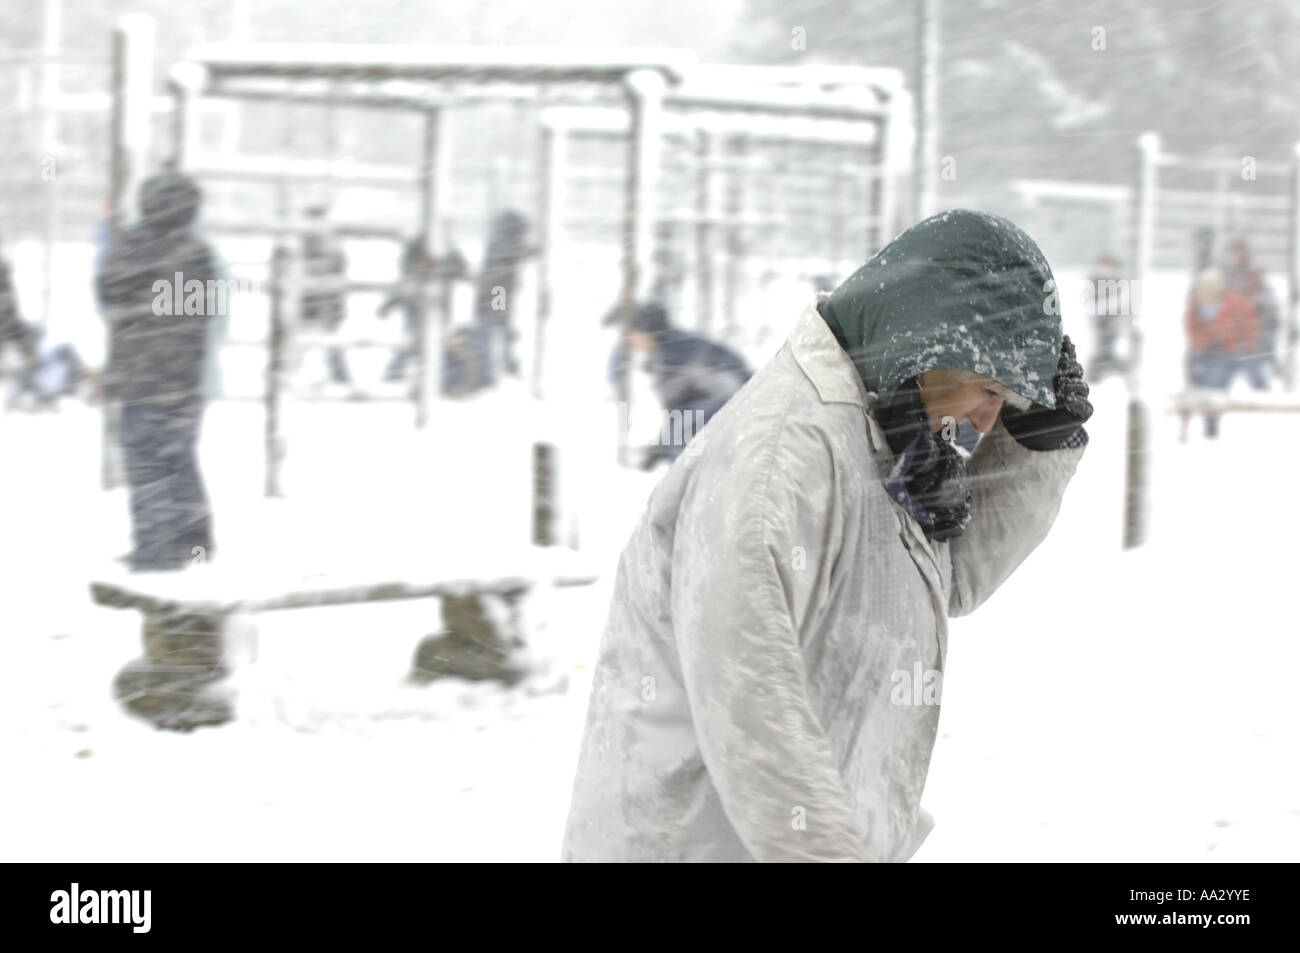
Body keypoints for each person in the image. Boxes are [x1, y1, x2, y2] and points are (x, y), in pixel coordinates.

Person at [563, 210, 1091, 862]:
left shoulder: (882, 433)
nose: (989, 418)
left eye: (1006, 403)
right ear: (927, 343)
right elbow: (749, 712)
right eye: (987, 389)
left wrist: (1033, 448)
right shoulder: (783, 456)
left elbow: (949, 582)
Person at [96, 170, 217, 572]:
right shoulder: (197, 252)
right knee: (178, 456)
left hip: (141, 375)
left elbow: (108, 294)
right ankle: (193, 540)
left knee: (147, 462)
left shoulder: (132, 246)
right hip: (184, 376)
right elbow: (197, 315)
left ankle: (157, 548)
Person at [605, 301, 751, 467]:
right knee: (678, 440)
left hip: (738, 408)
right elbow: (680, 409)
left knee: (681, 442)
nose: (631, 338)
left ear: (648, 331)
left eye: (634, 332)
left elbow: (732, 389)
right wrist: (662, 447)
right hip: (713, 414)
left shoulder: (682, 353)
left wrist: (671, 442)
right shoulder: (662, 355)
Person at [377, 234, 471, 385]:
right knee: (419, 343)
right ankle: (395, 378)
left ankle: (398, 377)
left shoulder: (445, 252)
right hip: (425, 305)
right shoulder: (434, 251)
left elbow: (463, 271)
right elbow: (406, 280)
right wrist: (389, 304)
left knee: (427, 343)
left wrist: (389, 305)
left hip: (434, 307)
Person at [1182, 268, 1258, 440]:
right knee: (1198, 379)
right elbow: (1191, 328)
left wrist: (1248, 345)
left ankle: (1211, 423)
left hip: (1229, 352)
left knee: (1215, 383)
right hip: (1204, 352)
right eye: (1205, 289)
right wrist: (1203, 342)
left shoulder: (1235, 302)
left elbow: (1249, 324)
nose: (1208, 294)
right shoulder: (1195, 305)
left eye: (1212, 289)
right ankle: (1205, 418)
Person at [473, 209, 531, 385]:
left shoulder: (500, 242)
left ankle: (502, 366)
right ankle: (493, 372)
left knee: (498, 331)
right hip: (498, 292)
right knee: (498, 330)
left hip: (497, 293)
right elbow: (513, 255)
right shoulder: (503, 244)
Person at [299, 205, 350, 385]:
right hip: (313, 301)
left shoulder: (330, 246)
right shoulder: (307, 243)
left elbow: (337, 273)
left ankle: (341, 377)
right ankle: (340, 377)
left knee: (329, 342)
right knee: (303, 340)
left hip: (324, 302)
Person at [1224, 237, 1277, 387]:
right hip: (1232, 338)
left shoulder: (1253, 277)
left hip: (1249, 337)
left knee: (1255, 373)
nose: (1234, 257)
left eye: (1237, 253)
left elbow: (1262, 307)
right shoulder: (1228, 276)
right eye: (1232, 253)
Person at [1084, 252, 1130, 384]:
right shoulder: (1093, 281)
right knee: (1100, 346)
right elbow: (1089, 301)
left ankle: (1110, 369)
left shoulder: (1118, 282)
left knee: (1109, 345)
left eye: (1109, 266)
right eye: (1103, 265)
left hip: (1113, 321)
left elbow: (1122, 301)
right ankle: (1096, 373)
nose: (1106, 269)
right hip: (1098, 321)